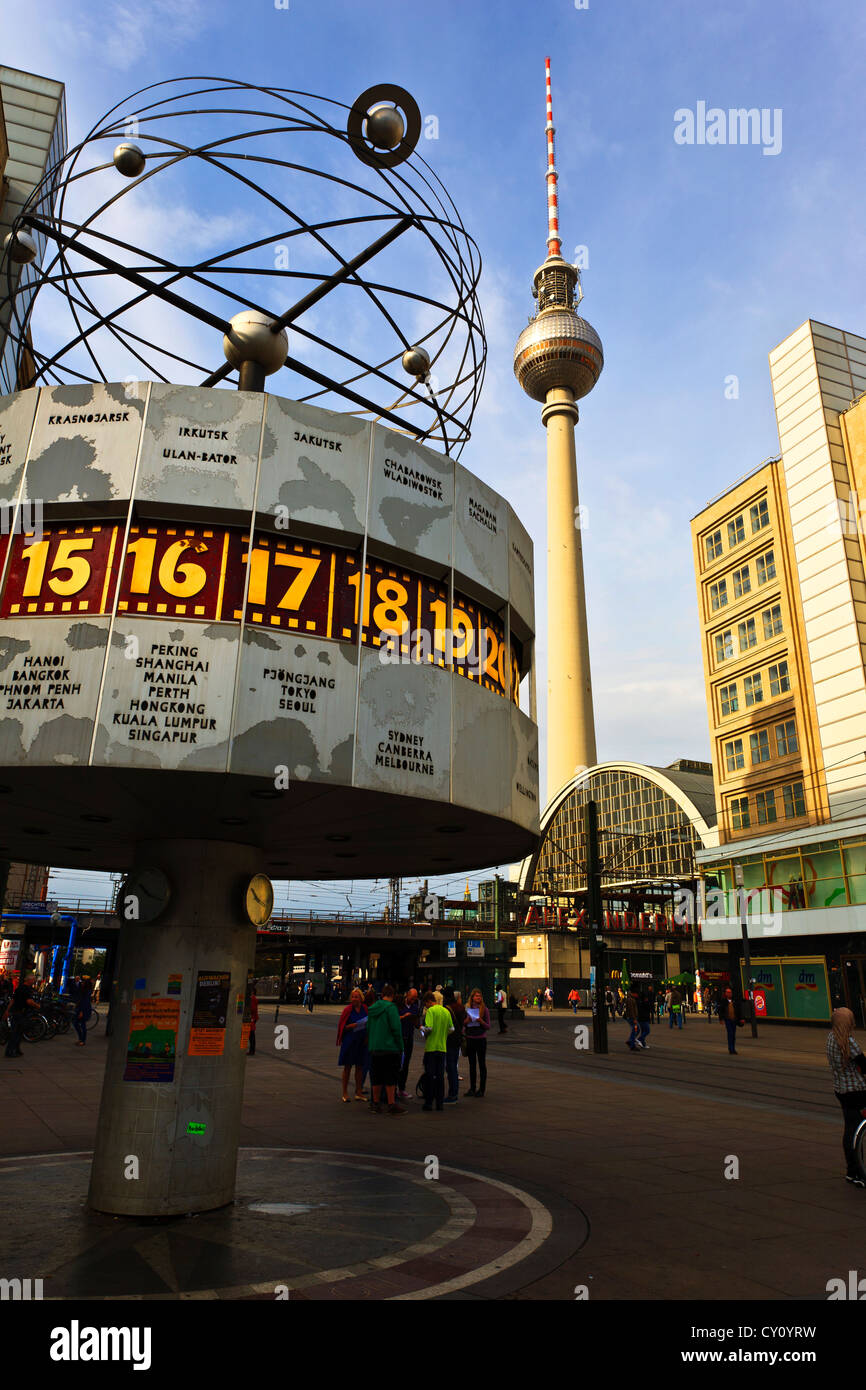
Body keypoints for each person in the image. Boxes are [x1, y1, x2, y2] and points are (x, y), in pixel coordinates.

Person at [826, 1007, 866, 1187]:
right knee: (856, 1130)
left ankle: (852, 1171)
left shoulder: (831, 1038)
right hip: (857, 1091)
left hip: (841, 1090)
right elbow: (864, 1064)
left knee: (850, 1129)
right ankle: (857, 1171)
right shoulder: (848, 1041)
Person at [366, 985, 406, 1115]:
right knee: (390, 1077)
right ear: (392, 996)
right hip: (390, 1048)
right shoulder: (391, 1008)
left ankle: (375, 1104)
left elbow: (368, 1028)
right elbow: (396, 1028)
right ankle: (391, 1104)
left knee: (376, 1077)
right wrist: (401, 1047)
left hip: (375, 1047)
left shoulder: (372, 1009)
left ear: (382, 995)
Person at [420, 991, 453, 1111]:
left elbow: (429, 1028)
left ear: (428, 1001)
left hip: (431, 1048)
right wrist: (444, 1034)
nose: (426, 1007)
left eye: (425, 1004)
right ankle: (439, 1103)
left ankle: (429, 1102)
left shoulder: (431, 1011)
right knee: (440, 1076)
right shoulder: (446, 1011)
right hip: (442, 1047)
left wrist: (421, 1028)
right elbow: (452, 1028)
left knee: (430, 1075)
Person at [336, 988, 369, 1101]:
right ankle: (345, 1093)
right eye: (353, 997)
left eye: (356, 997)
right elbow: (342, 1027)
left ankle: (358, 1092)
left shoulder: (365, 1009)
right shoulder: (348, 1010)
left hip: (362, 1042)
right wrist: (352, 1026)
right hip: (350, 1042)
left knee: (360, 1067)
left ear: (361, 998)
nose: (354, 999)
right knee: (348, 1067)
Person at [3, 973, 39, 1058]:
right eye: (33, 980)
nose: (34, 982)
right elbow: (29, 1001)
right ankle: (10, 1051)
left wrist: (7, 1010)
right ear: (29, 980)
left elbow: (13, 1000)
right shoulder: (26, 989)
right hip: (20, 1013)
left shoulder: (19, 988)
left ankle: (16, 1050)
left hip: (15, 1012)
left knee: (17, 1032)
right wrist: (37, 1005)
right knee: (17, 1033)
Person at [464, 988, 490, 1096]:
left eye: (480, 996)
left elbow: (488, 1026)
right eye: (476, 996)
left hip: (480, 1039)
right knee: (472, 1065)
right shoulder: (467, 1008)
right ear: (472, 997)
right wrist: (467, 1021)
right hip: (470, 1038)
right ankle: (472, 1088)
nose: (478, 998)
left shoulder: (485, 1009)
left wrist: (481, 1021)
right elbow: (463, 1024)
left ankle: (482, 1089)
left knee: (482, 1064)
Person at [396, 989, 419, 1099]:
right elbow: (394, 1018)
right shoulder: (399, 1005)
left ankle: (401, 1088)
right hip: (400, 1037)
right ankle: (393, 1088)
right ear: (407, 995)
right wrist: (404, 1017)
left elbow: (417, 1022)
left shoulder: (415, 1007)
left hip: (409, 1037)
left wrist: (417, 1023)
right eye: (412, 998)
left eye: (415, 999)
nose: (413, 1000)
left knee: (405, 1064)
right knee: (397, 1063)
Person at [445, 991, 466, 1103]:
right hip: (458, 1040)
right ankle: (454, 1092)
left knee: (450, 1067)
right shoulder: (461, 1008)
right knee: (453, 1066)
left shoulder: (447, 1008)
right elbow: (465, 1021)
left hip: (449, 1040)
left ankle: (452, 1094)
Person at [717, 986, 743, 1054]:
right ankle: (731, 1049)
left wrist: (741, 1018)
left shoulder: (734, 1001)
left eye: (730, 992)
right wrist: (721, 1019)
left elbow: (739, 1010)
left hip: (734, 1019)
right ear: (725, 993)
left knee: (733, 1035)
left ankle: (733, 1048)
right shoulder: (723, 1001)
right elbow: (720, 1011)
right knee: (730, 1033)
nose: (729, 994)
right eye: (728, 992)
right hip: (727, 1020)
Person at [73, 977, 93, 1046]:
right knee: (76, 1023)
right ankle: (81, 1039)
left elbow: (85, 1002)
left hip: (84, 1010)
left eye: (83, 982)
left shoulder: (87, 991)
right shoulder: (83, 990)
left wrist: (82, 1012)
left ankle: (82, 1040)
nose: (82, 983)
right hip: (81, 1008)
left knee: (82, 1025)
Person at [625, 986, 642, 1051]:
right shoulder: (630, 1000)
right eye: (636, 993)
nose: (637, 995)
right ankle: (632, 1044)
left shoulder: (631, 999)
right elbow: (631, 1010)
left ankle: (630, 1041)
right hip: (631, 1017)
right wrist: (634, 1018)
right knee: (635, 1030)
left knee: (636, 1030)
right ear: (633, 993)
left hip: (631, 1017)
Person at [248, 980, 258, 1056]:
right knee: (251, 1035)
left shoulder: (252, 998)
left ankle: (252, 1050)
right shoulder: (253, 998)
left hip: (252, 1018)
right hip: (253, 1018)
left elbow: (253, 1009)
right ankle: (252, 1050)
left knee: (251, 1035)